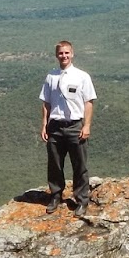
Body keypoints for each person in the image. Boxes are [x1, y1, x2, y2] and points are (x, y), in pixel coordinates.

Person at [39, 40, 96, 213]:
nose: (64, 56)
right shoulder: (51, 76)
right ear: (57, 55)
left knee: (79, 165)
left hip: (75, 126)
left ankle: (81, 200)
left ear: (72, 54)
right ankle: (56, 195)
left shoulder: (82, 76)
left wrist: (86, 126)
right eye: (60, 53)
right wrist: (44, 125)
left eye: (66, 53)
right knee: (55, 164)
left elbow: (88, 102)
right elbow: (46, 103)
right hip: (55, 126)